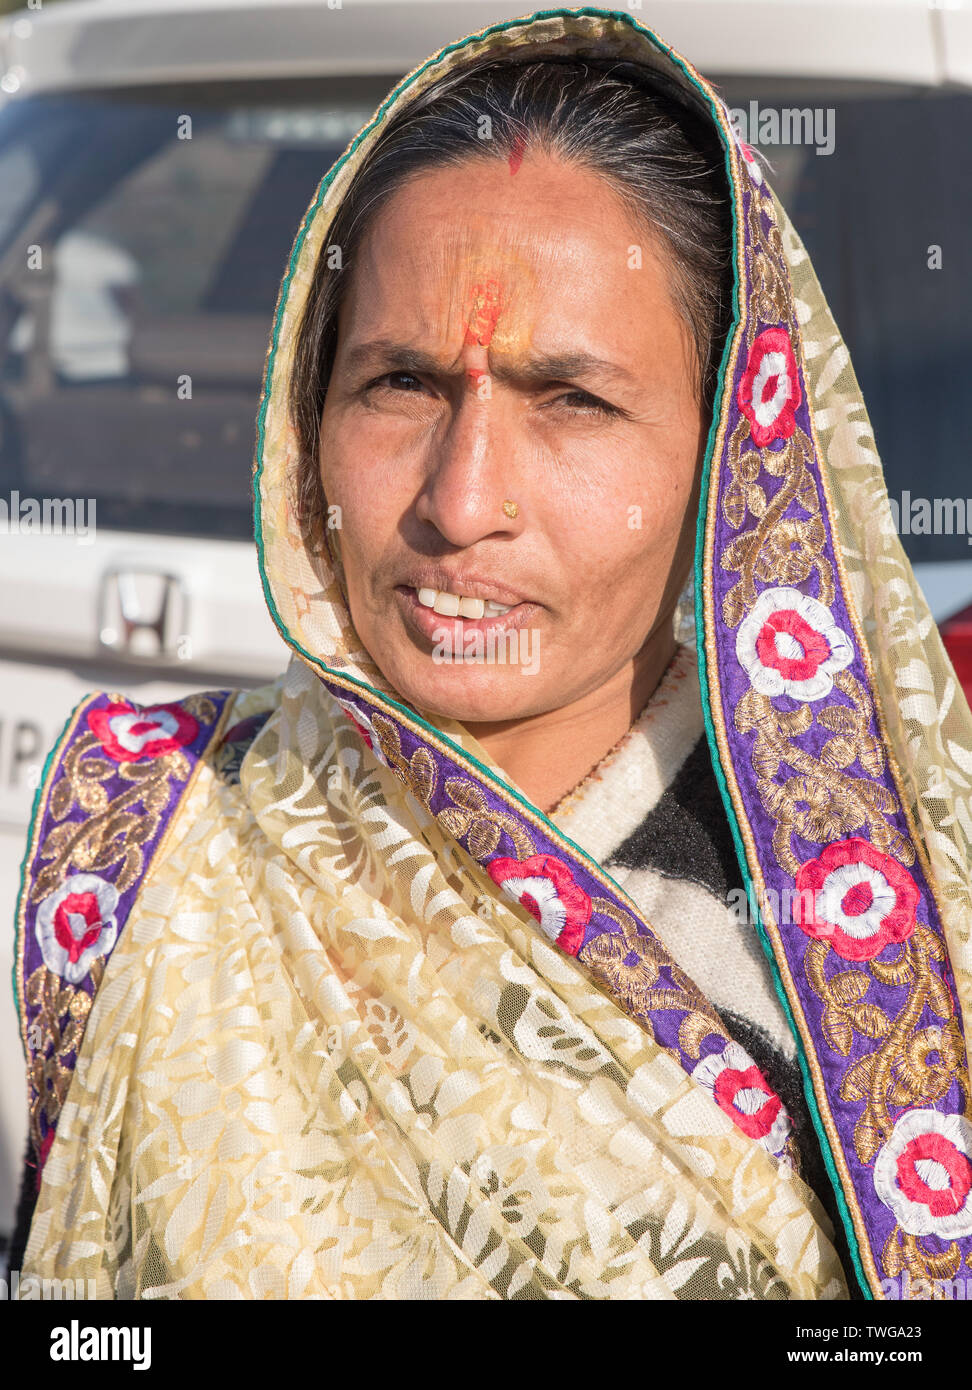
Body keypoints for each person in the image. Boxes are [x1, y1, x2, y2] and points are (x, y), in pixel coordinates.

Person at [11, 7, 972, 1301]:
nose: (460, 504)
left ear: (728, 457)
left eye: (572, 400)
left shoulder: (876, 966)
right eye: (401, 382)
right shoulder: (127, 845)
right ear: (310, 408)